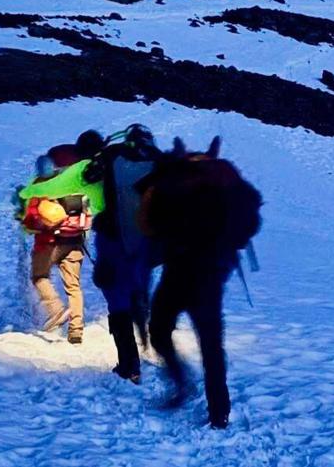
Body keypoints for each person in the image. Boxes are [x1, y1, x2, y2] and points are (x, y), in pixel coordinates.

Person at [19, 125, 160, 384]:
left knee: (117, 300)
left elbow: (52, 187)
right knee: (137, 289)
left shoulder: (92, 169)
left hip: (113, 243)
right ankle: (153, 343)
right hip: (145, 242)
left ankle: (130, 366)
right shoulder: (151, 166)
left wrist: (24, 193)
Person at [138, 137, 262, 429]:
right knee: (211, 343)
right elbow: (251, 221)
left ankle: (181, 383)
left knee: (159, 330)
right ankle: (219, 411)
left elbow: (147, 225)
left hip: (177, 269)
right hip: (212, 272)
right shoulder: (226, 178)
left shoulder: (171, 179)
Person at [22, 155, 90, 344]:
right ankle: (76, 331)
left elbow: (31, 218)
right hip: (75, 240)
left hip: (48, 244)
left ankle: (56, 309)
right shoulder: (69, 183)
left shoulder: (40, 187)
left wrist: (28, 224)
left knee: (39, 277)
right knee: (73, 287)